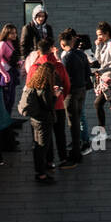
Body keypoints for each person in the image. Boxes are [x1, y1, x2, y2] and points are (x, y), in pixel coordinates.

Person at [29, 34, 72, 167]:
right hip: (58, 105)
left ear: (38, 51)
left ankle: (49, 161)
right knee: (60, 133)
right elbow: (67, 85)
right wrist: (60, 97)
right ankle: (63, 158)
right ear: (50, 50)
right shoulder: (59, 66)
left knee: (45, 137)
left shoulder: (35, 67)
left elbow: (29, 86)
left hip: (42, 107)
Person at [60, 30, 94, 166]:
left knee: (72, 120)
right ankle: (80, 142)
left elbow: (64, 77)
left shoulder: (66, 58)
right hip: (82, 90)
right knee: (79, 116)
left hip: (71, 92)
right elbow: (87, 73)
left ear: (62, 44)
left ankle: (77, 148)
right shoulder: (81, 54)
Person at [22, 61, 58, 183]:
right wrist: (55, 95)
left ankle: (40, 170)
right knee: (42, 146)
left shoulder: (34, 83)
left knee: (37, 145)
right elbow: (49, 105)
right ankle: (41, 174)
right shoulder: (45, 88)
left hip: (34, 119)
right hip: (44, 120)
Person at [0, 23, 21, 117]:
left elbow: (13, 59)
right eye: (12, 33)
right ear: (6, 33)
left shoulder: (13, 43)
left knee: (11, 101)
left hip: (11, 73)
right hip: (4, 75)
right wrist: (5, 74)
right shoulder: (2, 44)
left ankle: (7, 123)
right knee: (5, 101)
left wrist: (19, 63)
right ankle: (3, 126)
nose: (14, 35)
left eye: (15, 33)